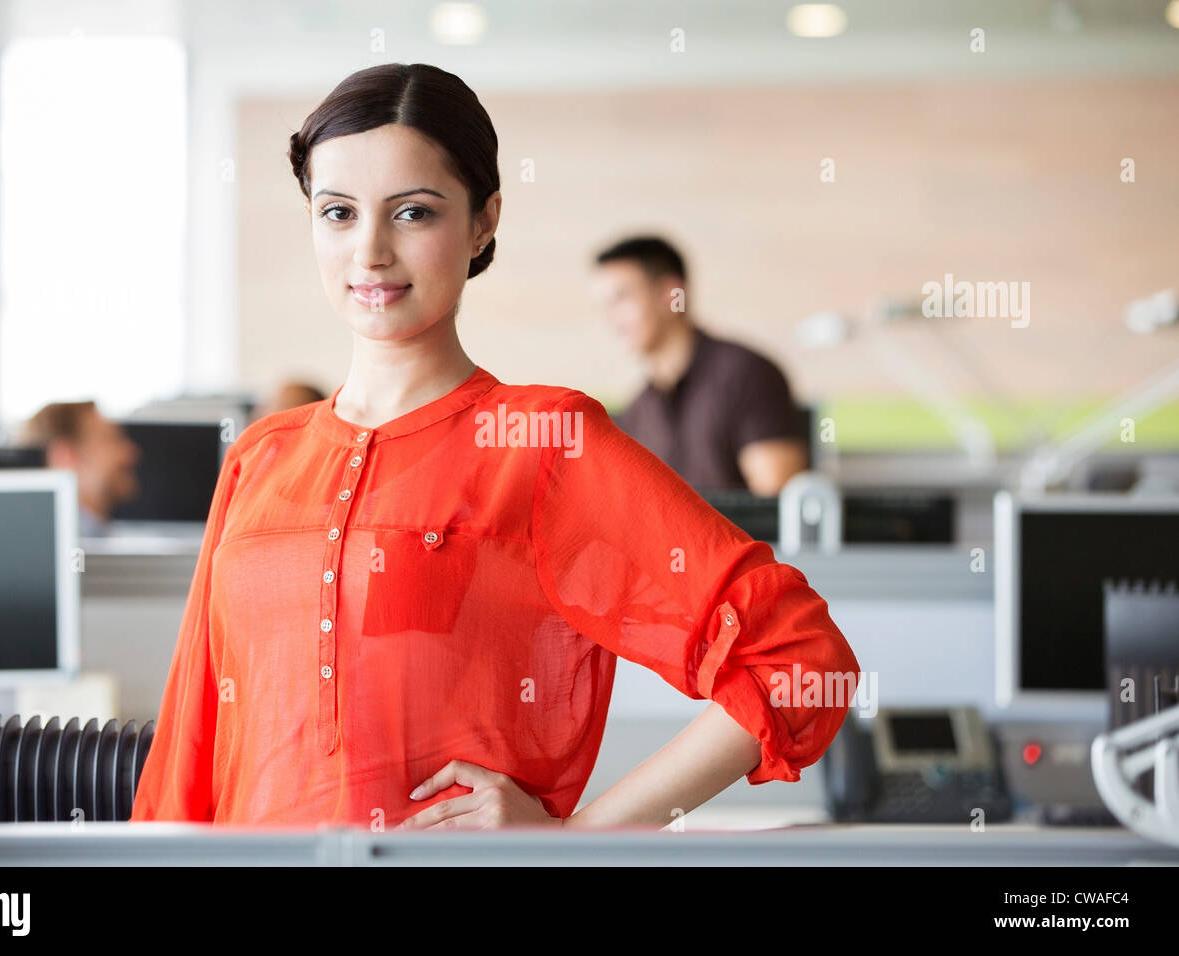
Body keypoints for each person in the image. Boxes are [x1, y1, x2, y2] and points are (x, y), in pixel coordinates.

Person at [131, 63, 859, 829]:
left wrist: (578, 844)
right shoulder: (260, 458)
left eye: (413, 213)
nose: (370, 250)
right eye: (337, 212)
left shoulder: (543, 443)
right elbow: (188, 750)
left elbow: (803, 661)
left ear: (483, 221)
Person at [592, 236, 809, 495]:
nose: (610, 318)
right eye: (604, 305)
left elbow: (775, 500)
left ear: (672, 296)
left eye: (621, 298)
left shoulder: (747, 374)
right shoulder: (638, 411)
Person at [16, 400, 140, 537]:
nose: (130, 453)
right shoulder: (52, 549)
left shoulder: (101, 538)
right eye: (111, 440)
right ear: (66, 457)